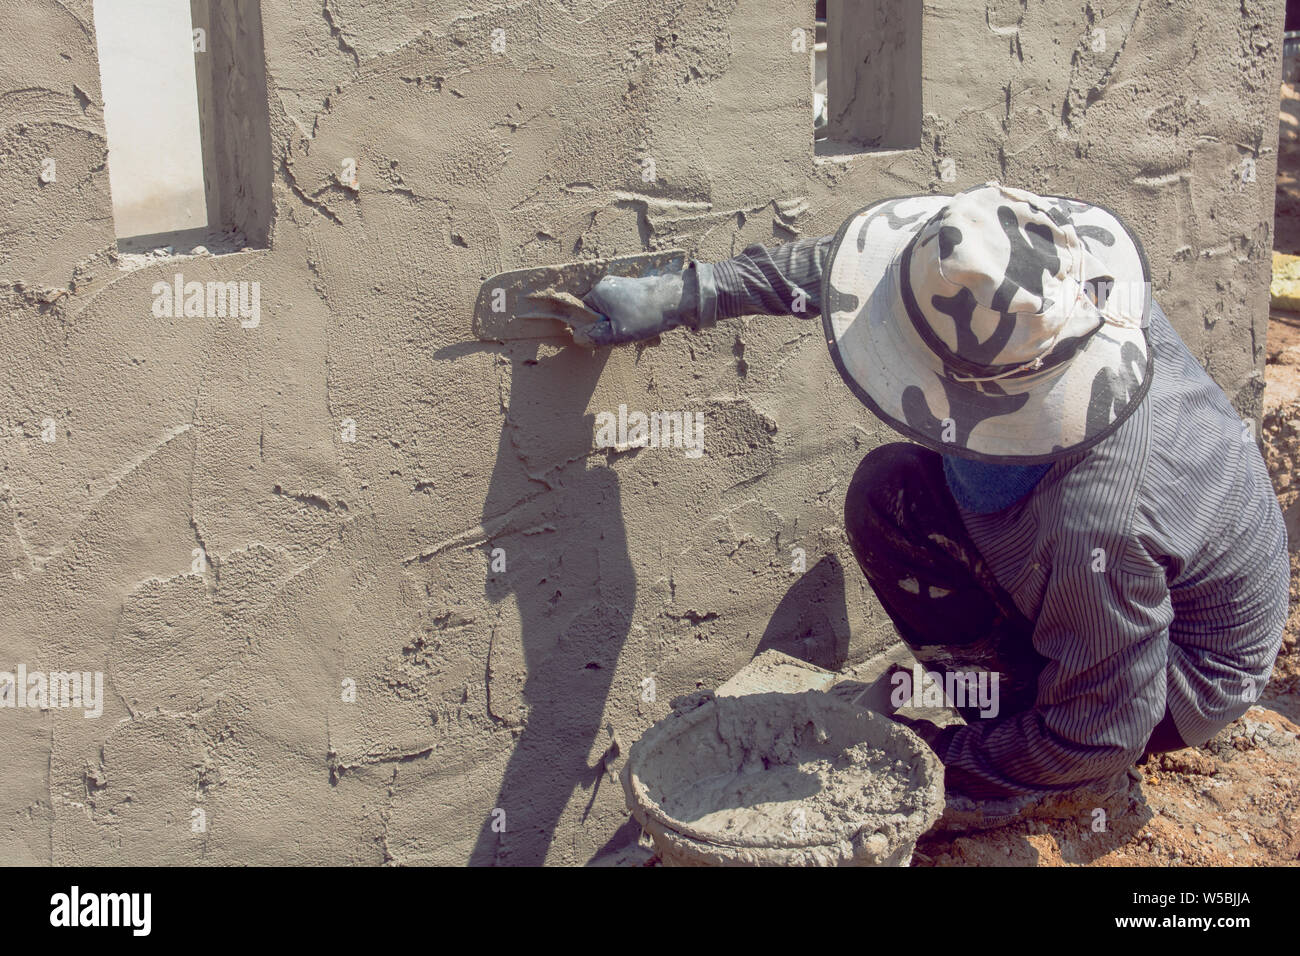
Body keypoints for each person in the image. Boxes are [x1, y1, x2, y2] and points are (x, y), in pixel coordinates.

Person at [562, 181, 1289, 812]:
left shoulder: (1094, 522)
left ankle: (1009, 722)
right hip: (1125, 577)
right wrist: (698, 291)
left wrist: (930, 755)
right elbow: (870, 276)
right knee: (890, 496)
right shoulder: (1057, 282)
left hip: (1175, 677)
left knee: (1056, 728)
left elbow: (1101, 732)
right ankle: (1004, 690)